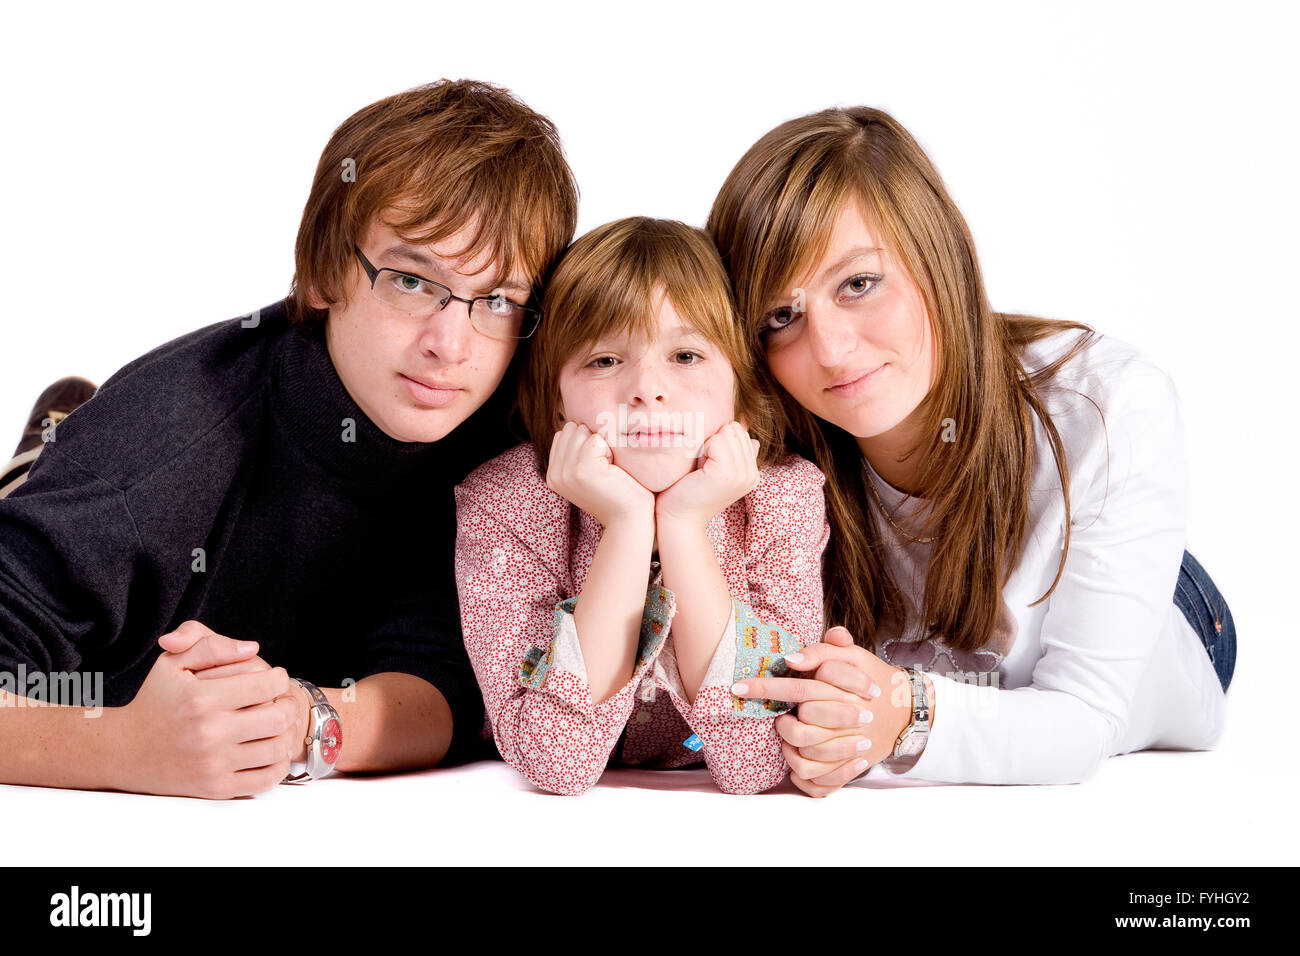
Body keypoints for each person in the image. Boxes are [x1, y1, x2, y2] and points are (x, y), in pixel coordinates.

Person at [0, 79, 578, 798]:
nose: (451, 344)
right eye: (408, 280)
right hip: (107, 581)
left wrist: (309, 722)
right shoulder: (157, 458)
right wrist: (122, 747)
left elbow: (444, 680)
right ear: (321, 274)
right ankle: (45, 455)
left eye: (496, 298)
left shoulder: (505, 422)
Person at [707, 106, 1235, 796]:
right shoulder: (773, 446)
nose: (830, 349)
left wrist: (903, 719)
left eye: (859, 284)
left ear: (939, 251)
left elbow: (1083, 722)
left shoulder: (1108, 406)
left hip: (1164, 608)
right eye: (782, 316)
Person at [453, 217, 830, 796]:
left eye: (685, 355)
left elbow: (757, 762)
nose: (646, 389)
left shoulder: (784, 499)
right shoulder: (503, 502)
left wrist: (682, 526)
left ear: (742, 398)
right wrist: (627, 526)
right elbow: (556, 763)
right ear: (557, 406)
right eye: (604, 360)